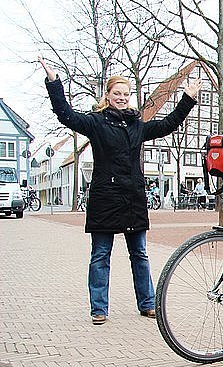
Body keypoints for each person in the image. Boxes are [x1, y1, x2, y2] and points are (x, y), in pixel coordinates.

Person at [39, 56, 202, 325]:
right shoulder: (95, 122)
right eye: (117, 94)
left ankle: (147, 303)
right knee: (100, 255)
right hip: (105, 198)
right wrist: (54, 82)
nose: (122, 98)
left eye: (126, 94)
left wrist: (187, 98)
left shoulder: (136, 125)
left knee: (140, 255)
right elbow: (65, 114)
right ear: (108, 95)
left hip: (132, 199)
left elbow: (167, 125)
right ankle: (99, 308)